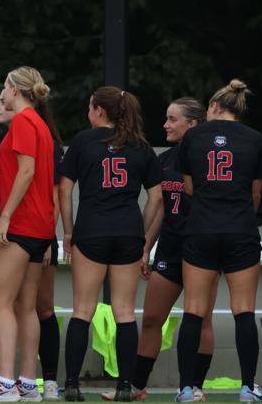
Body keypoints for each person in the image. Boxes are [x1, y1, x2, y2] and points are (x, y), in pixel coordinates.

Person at [101, 98, 213, 403]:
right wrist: (146, 246)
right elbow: (162, 206)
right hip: (170, 248)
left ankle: (193, 386)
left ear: (193, 124)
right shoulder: (164, 160)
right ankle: (136, 385)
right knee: (151, 318)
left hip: (201, 248)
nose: (165, 125)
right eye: (166, 118)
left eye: (173, 119)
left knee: (201, 318)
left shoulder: (206, 158)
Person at [59, 87, 163, 402]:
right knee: (125, 312)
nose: (88, 114)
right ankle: (124, 387)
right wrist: (141, 233)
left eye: (90, 108)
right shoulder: (140, 145)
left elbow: (64, 190)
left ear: (100, 111)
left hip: (91, 230)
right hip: (128, 232)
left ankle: (72, 385)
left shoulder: (82, 141)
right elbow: (156, 197)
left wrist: (68, 231)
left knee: (83, 309)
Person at [174, 79, 262, 404]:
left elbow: (189, 187)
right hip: (240, 230)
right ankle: (247, 388)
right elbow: (256, 193)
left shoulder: (193, 137)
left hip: (201, 228)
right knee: (243, 310)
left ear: (214, 106)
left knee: (193, 310)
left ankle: (185, 389)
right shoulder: (255, 139)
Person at [0, 67, 58, 403]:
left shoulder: (23, 121)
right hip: (40, 226)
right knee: (25, 305)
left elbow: (27, 170)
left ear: (15, 90)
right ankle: (27, 383)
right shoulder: (40, 124)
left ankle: (5, 383)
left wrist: (4, 217)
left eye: (5, 86)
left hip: (21, 224)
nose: (2, 93)